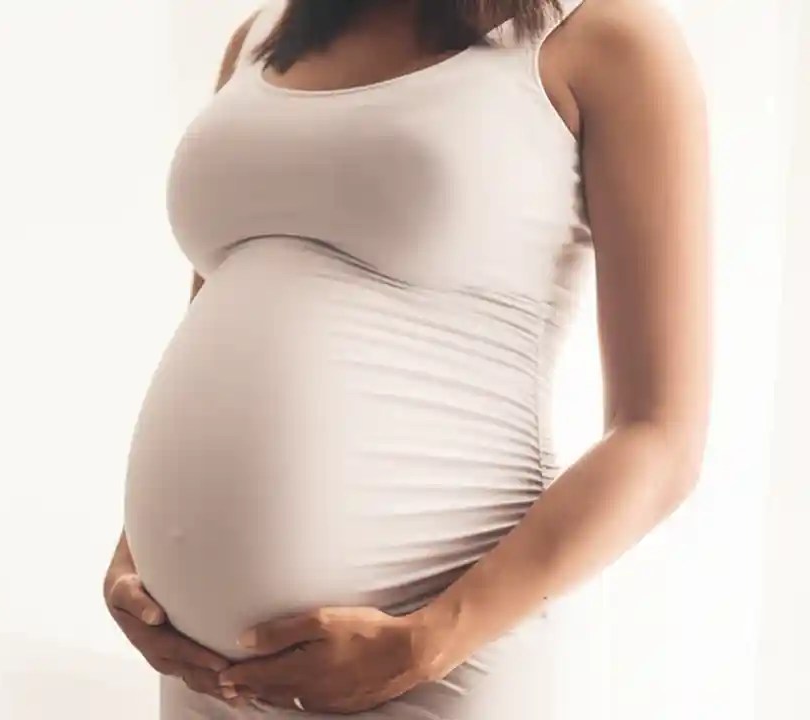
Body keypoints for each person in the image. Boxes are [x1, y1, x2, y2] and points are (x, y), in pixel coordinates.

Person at [104, 0, 711, 717]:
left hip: (437, 663)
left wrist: (429, 639)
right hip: (202, 674)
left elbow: (659, 437)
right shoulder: (260, 37)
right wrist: (139, 556)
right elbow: (216, 317)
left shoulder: (604, 38)